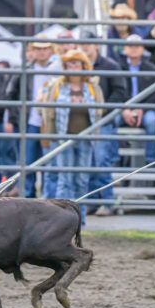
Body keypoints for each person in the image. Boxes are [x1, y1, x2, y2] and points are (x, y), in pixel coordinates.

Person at [39, 50, 103, 222]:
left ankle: (79, 218)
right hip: (62, 137)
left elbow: (100, 109)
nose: (73, 67)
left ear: (84, 66)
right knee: (64, 179)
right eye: (69, 63)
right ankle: (63, 219)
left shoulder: (92, 86)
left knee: (81, 179)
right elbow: (47, 110)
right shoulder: (57, 85)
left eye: (77, 63)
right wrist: (49, 134)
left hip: (85, 138)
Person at [6, 32, 60, 198]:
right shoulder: (25, 69)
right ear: (33, 50)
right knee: (27, 162)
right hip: (31, 121)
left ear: (51, 50)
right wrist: (17, 116)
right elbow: (11, 93)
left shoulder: (57, 70)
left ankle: (46, 197)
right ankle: (27, 197)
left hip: (51, 121)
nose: (42, 52)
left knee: (49, 162)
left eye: (45, 49)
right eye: (38, 49)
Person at [80, 34, 129, 214]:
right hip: (85, 120)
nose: (85, 47)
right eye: (82, 44)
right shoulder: (81, 66)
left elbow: (120, 92)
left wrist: (104, 110)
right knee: (90, 161)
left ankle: (107, 202)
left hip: (102, 121)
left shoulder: (110, 66)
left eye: (88, 44)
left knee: (101, 161)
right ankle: (93, 201)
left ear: (96, 46)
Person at [118, 34, 155, 167]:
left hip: (145, 110)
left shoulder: (152, 69)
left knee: (152, 120)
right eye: (130, 46)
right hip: (122, 110)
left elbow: (154, 95)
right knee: (111, 120)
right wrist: (124, 109)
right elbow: (116, 92)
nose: (133, 49)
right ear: (125, 49)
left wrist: (142, 109)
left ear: (142, 49)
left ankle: (151, 162)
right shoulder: (117, 68)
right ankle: (115, 161)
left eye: (137, 46)